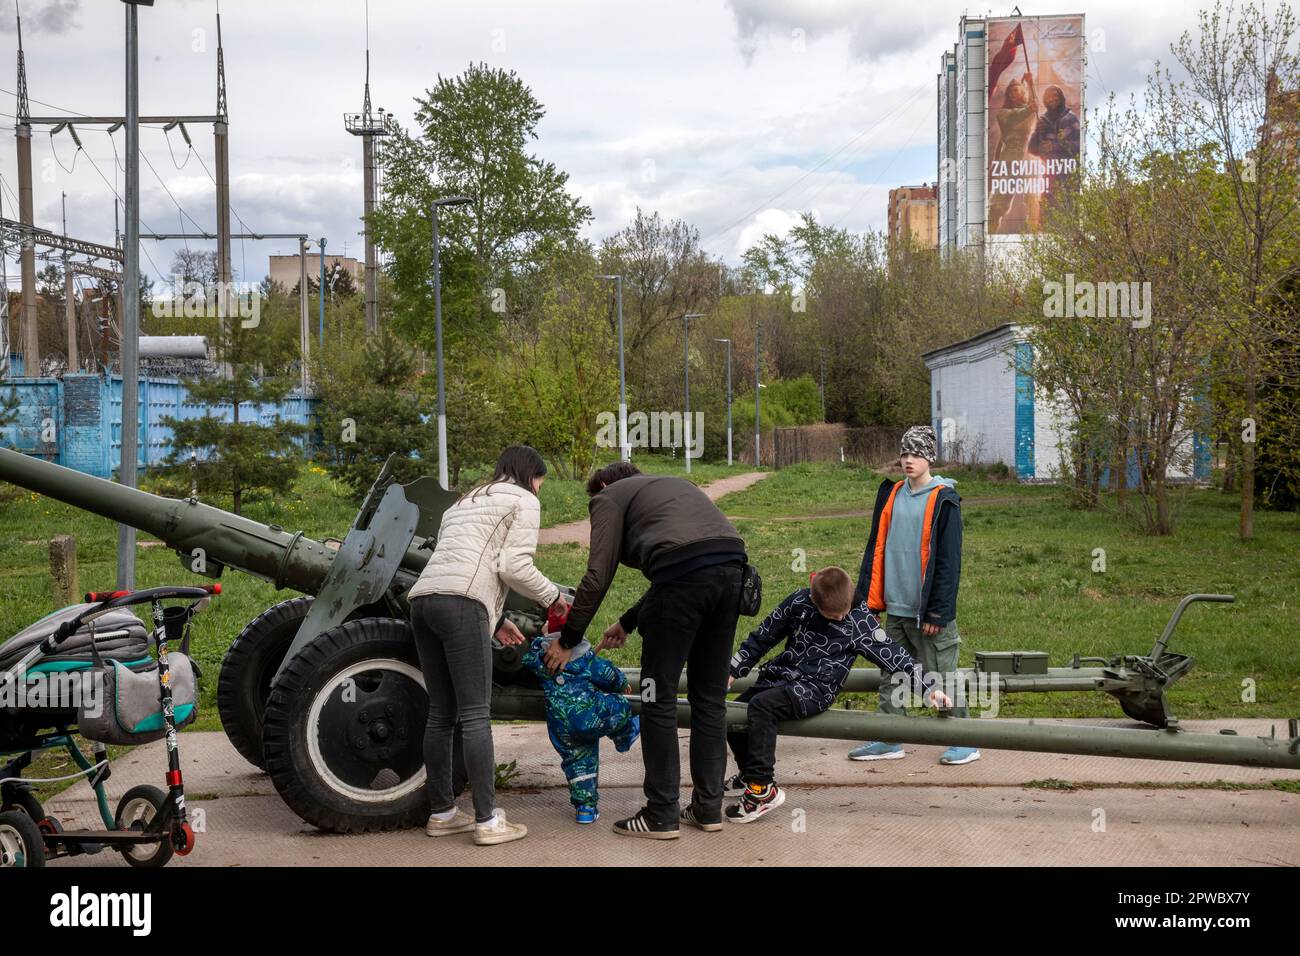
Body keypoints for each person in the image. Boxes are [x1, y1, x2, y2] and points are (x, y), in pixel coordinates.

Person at [544, 461, 746, 839]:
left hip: (685, 581)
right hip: (732, 571)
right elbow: (687, 560)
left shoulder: (608, 495)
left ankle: (661, 813)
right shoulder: (673, 484)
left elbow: (597, 575)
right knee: (710, 699)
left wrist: (568, 639)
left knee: (656, 698)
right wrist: (629, 621)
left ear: (603, 484)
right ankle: (707, 809)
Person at [407, 445, 569, 845]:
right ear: (531, 476)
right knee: (477, 715)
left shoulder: (464, 501)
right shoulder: (523, 501)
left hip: (423, 601)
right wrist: (553, 598)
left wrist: (495, 620)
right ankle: (487, 821)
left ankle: (443, 813)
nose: (539, 491)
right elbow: (513, 567)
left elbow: (462, 563)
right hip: (461, 604)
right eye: (540, 483)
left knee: (441, 713)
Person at [726, 567, 951, 822]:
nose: (840, 617)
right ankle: (750, 774)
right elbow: (763, 636)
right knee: (734, 716)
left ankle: (762, 790)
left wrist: (928, 688)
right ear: (813, 599)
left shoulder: (858, 619)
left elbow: (893, 655)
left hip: (816, 689)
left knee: (761, 707)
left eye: (844, 612)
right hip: (782, 676)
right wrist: (733, 669)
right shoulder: (798, 602)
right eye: (833, 616)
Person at [848, 426, 980, 766]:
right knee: (892, 672)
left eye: (916, 454)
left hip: (929, 614)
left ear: (930, 458)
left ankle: (963, 739)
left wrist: (938, 612)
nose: (908, 460)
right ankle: (889, 737)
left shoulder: (944, 500)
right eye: (905, 453)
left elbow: (950, 563)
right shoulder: (892, 494)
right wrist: (869, 600)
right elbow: (875, 549)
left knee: (940, 674)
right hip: (896, 607)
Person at [521, 632, 640, 824]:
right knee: (618, 704)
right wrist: (622, 683)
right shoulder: (586, 661)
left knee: (578, 762)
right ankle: (625, 735)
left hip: (561, 728)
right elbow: (609, 675)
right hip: (588, 716)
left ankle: (585, 809)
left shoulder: (541, 662)